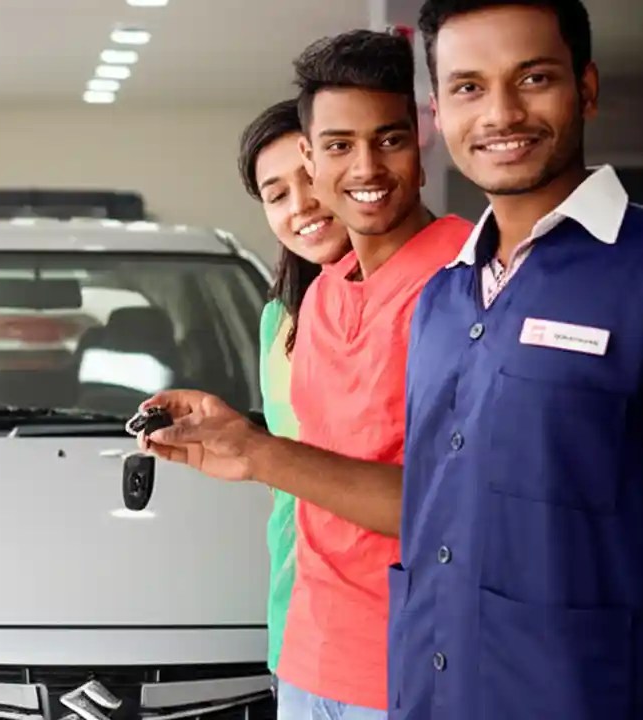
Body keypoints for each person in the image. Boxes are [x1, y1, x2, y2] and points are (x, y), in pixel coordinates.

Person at [138, 30, 472, 719]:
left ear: (424, 138)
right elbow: (314, 482)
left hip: (413, 668)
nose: (365, 168)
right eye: (340, 146)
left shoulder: (467, 281)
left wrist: (257, 452)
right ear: (316, 158)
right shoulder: (319, 297)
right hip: (309, 659)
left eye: (389, 139)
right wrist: (240, 444)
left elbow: (445, 511)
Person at [386, 1, 643, 718]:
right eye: (470, 88)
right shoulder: (441, 299)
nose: (501, 113)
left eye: (533, 78)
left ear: (587, 88)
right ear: (439, 114)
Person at [236, 98, 351, 684]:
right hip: (297, 619)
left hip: (382, 630)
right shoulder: (277, 320)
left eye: (311, 180)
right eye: (276, 194)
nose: (301, 205)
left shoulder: (424, 294)